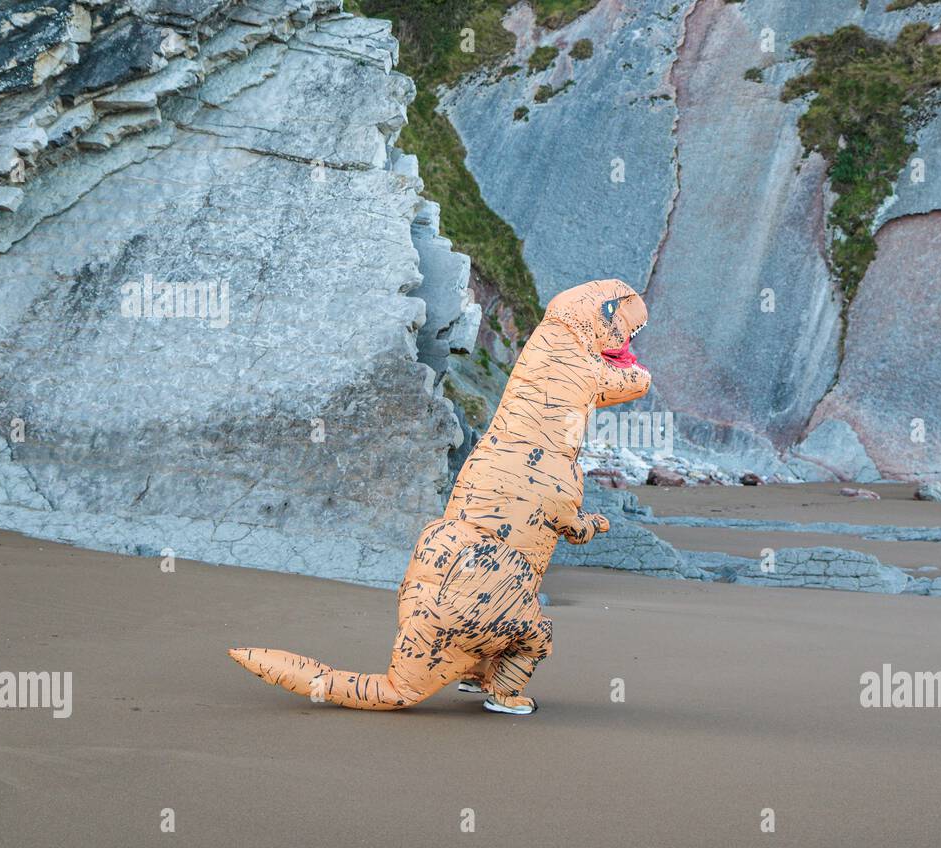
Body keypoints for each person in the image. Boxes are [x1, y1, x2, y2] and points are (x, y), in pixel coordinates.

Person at [228, 279, 652, 715]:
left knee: (453, 547)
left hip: (456, 564)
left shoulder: (522, 399)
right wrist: (584, 525)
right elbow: (631, 388)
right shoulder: (569, 398)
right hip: (487, 579)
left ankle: (464, 664)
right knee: (535, 638)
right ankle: (503, 694)